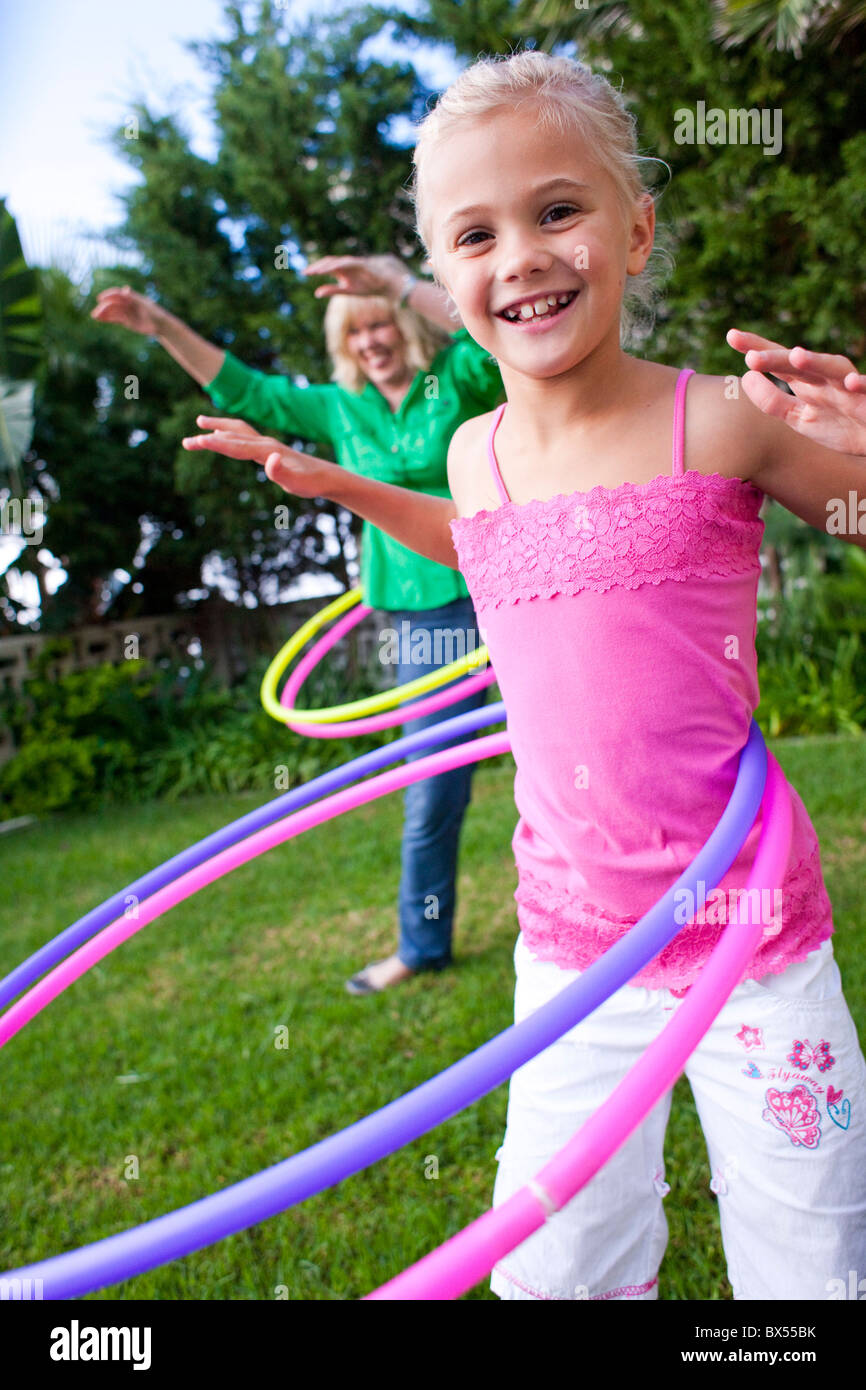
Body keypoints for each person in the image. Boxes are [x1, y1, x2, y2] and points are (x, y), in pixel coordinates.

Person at [181, 50, 866, 1300]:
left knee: (813, 1261)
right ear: (444, 276)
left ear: (635, 227)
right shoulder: (470, 453)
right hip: (570, 942)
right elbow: (486, 548)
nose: (523, 257)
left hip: (748, 932)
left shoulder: (711, 419)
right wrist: (337, 484)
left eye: (559, 211)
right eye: (477, 233)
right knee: (556, 1271)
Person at [92, 255, 503, 995]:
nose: (372, 340)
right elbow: (248, 390)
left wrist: (397, 281)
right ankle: (422, 945)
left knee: (559, 754)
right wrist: (158, 327)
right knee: (432, 788)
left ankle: (614, 912)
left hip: (502, 588)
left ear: (404, 325)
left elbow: (490, 331)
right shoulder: (338, 411)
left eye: (380, 322)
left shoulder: (460, 379)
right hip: (419, 615)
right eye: (357, 332)